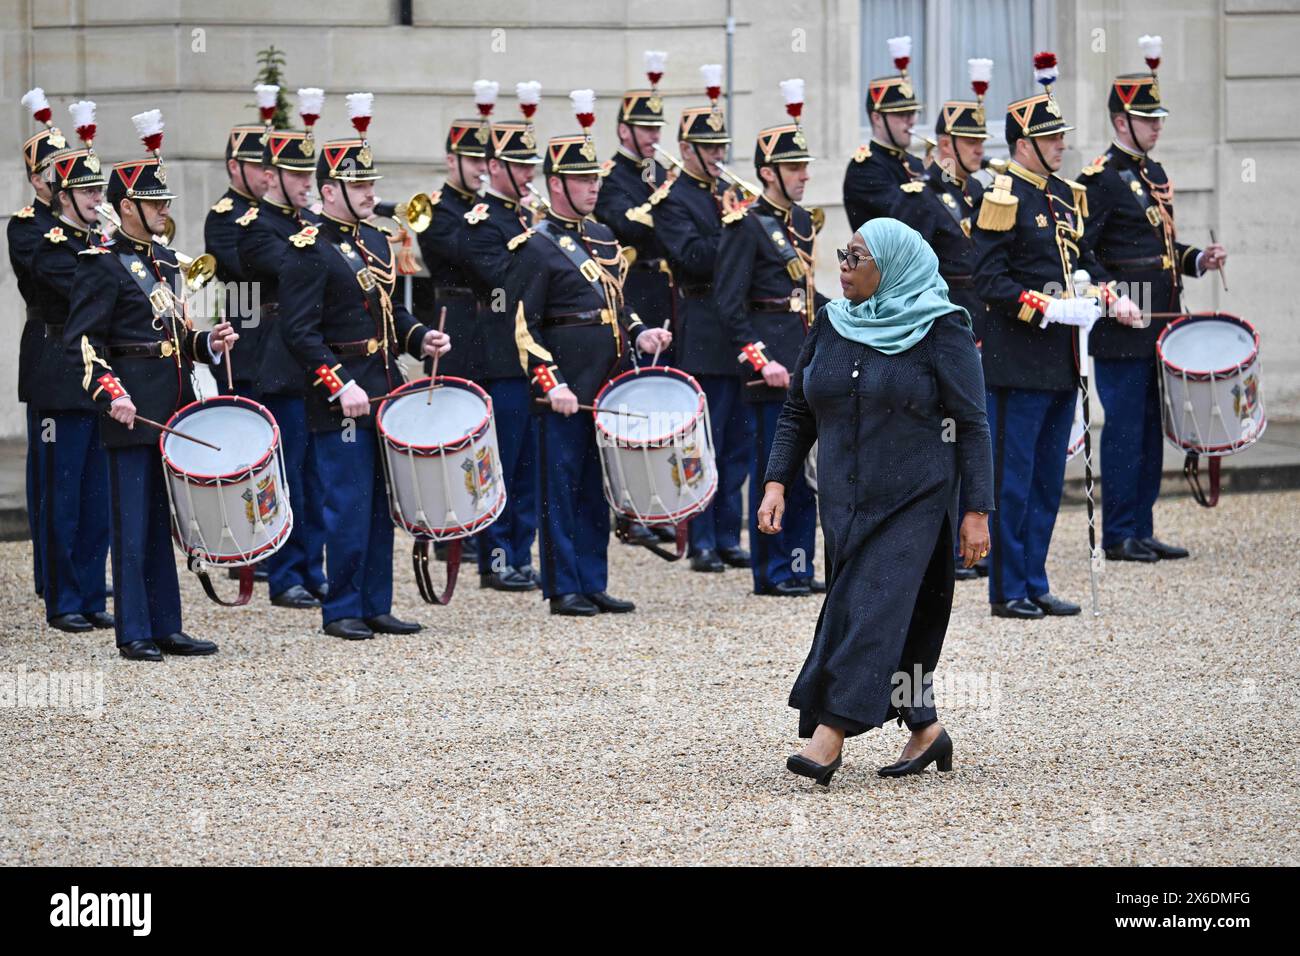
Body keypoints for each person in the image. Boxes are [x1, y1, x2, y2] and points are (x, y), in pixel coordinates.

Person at [760, 219, 992, 786]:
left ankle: (828, 735)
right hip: (841, 499)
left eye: (856, 255)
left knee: (867, 609)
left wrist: (976, 511)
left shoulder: (941, 328)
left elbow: (972, 423)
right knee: (895, 615)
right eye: (841, 253)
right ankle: (925, 728)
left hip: (915, 497)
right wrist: (775, 483)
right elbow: (797, 411)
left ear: (891, 265)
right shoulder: (830, 323)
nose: (843, 263)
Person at [62, 109, 239, 661]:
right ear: (126, 208)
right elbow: (83, 342)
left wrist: (209, 344)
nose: (165, 210)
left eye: (165, 203)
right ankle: (134, 630)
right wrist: (111, 393)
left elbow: (176, 335)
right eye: (156, 203)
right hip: (133, 408)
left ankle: (168, 625)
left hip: (174, 405)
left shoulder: (164, 259)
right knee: (133, 524)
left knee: (168, 520)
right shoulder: (101, 262)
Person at [278, 93, 450, 640]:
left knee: (381, 503)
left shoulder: (373, 240)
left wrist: (422, 336)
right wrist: (337, 384)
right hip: (342, 394)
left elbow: (390, 312)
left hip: (382, 385)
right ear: (329, 192)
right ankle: (343, 607)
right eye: (359, 188)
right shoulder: (307, 249)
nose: (371, 195)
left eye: (371, 186)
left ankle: (376, 601)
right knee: (347, 504)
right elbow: (299, 332)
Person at [506, 95, 672, 616]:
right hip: (565, 388)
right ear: (556, 184)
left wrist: (642, 333)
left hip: (607, 382)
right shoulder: (534, 246)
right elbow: (522, 327)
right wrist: (549, 382)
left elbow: (618, 305)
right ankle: (563, 587)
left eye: (594, 179)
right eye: (581, 181)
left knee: (596, 487)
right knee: (559, 486)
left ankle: (593, 578)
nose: (593, 187)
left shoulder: (602, 236)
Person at [970, 52, 1112, 620]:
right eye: (1050, 137)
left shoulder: (1064, 197)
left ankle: (1037, 577)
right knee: (1015, 479)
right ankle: (1008, 588)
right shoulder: (1002, 197)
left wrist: (1098, 292)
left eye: (1060, 136)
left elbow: (1085, 261)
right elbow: (989, 280)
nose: (1060, 145)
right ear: (1024, 143)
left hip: (1061, 361)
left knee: (1050, 477)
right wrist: (1047, 308)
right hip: (1017, 358)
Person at [1079, 36, 1228, 563]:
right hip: (1123, 325)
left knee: (1150, 430)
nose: (1157, 126)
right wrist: (1114, 296)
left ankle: (1140, 525)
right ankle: (1119, 533)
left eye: (1158, 117)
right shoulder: (1098, 179)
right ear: (1121, 122)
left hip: (1161, 322)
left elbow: (1160, 248)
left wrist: (1197, 260)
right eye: (1147, 119)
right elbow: (1081, 253)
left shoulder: (1154, 173)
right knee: (1123, 432)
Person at [714, 79, 827, 596]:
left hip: (802, 362)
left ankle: (800, 566)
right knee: (771, 474)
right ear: (767, 173)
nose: (804, 176)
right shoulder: (746, 225)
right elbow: (728, 305)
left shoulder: (800, 221)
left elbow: (807, 293)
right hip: (769, 369)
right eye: (795, 168)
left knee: (803, 477)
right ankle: (773, 571)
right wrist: (760, 361)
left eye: (805, 166)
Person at [893, 58, 996, 582]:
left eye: (981, 140)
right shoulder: (920, 198)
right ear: (945, 146)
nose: (981, 149)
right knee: (942, 440)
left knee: (973, 434)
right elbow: (906, 271)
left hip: (979, 326)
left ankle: (969, 542)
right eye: (970, 141)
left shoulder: (981, 193)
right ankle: (939, 545)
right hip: (938, 327)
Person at [655, 68, 754, 574]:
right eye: (709, 148)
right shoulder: (674, 201)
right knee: (706, 440)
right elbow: (691, 257)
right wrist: (739, 233)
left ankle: (728, 534)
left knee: (738, 440)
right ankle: (699, 539)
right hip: (704, 322)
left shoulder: (726, 196)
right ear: (686, 149)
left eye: (721, 147)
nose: (719, 156)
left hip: (739, 326)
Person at [238, 101, 327, 610]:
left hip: (316, 357)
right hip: (280, 355)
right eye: (294, 174)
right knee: (288, 471)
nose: (304, 183)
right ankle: (285, 573)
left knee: (316, 474)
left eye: (307, 174)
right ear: (271, 176)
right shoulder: (256, 226)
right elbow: (291, 270)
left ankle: (312, 568)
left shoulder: (310, 224)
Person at [28, 103, 113, 633]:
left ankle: (89, 591)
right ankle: (61, 599)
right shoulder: (35, 235)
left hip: (99, 374)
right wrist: (110, 258)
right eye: (87, 193)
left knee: (96, 495)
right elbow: (75, 288)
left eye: (100, 193)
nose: (98, 202)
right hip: (56, 371)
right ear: (62, 195)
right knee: (61, 492)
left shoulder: (96, 243)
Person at [592, 55, 680, 550]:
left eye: (655, 127)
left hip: (666, 293)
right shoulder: (611, 176)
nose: (652, 136)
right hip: (635, 292)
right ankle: (630, 510)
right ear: (623, 131)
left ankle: (661, 501)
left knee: (665, 405)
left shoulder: (658, 175)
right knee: (635, 405)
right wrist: (668, 208)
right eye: (643, 128)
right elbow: (624, 224)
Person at [462, 86, 543, 592]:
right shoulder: (482, 222)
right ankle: (496, 557)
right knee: (501, 463)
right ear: (495, 168)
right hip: (500, 357)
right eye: (520, 165)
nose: (530, 173)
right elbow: (504, 283)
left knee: (529, 465)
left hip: (534, 356)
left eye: (532, 164)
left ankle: (521, 552)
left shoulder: (524, 220)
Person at [11, 88, 66, 600]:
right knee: (53, 480)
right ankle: (54, 577)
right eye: (56, 173)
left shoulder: (86, 226)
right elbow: (59, 280)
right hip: (50, 357)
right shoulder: (28, 228)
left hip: (90, 361)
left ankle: (84, 577)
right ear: (36, 179)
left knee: (88, 477)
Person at [204, 121, 268, 399]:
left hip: (281, 347)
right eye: (258, 166)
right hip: (248, 341)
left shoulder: (273, 214)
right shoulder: (223, 216)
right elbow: (250, 274)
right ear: (234, 166)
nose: (266, 174)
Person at [843, 36, 925, 231]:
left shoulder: (915, 163)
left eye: (913, 113)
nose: (911, 120)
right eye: (902, 114)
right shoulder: (864, 169)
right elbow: (906, 218)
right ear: (877, 118)